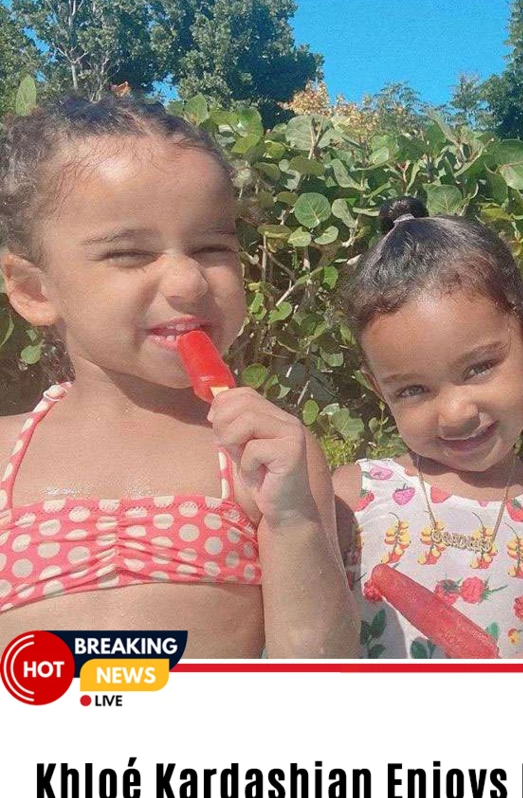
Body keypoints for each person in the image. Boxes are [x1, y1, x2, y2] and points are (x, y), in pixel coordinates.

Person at [0, 96, 357, 658]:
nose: (189, 282)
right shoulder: (6, 454)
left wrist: (293, 520)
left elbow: (316, 663)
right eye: (129, 254)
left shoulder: (261, 457)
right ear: (34, 290)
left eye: (211, 248)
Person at [333, 197, 523, 659]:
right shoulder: (351, 500)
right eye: (412, 390)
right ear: (379, 390)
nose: (455, 413)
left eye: (479, 368)